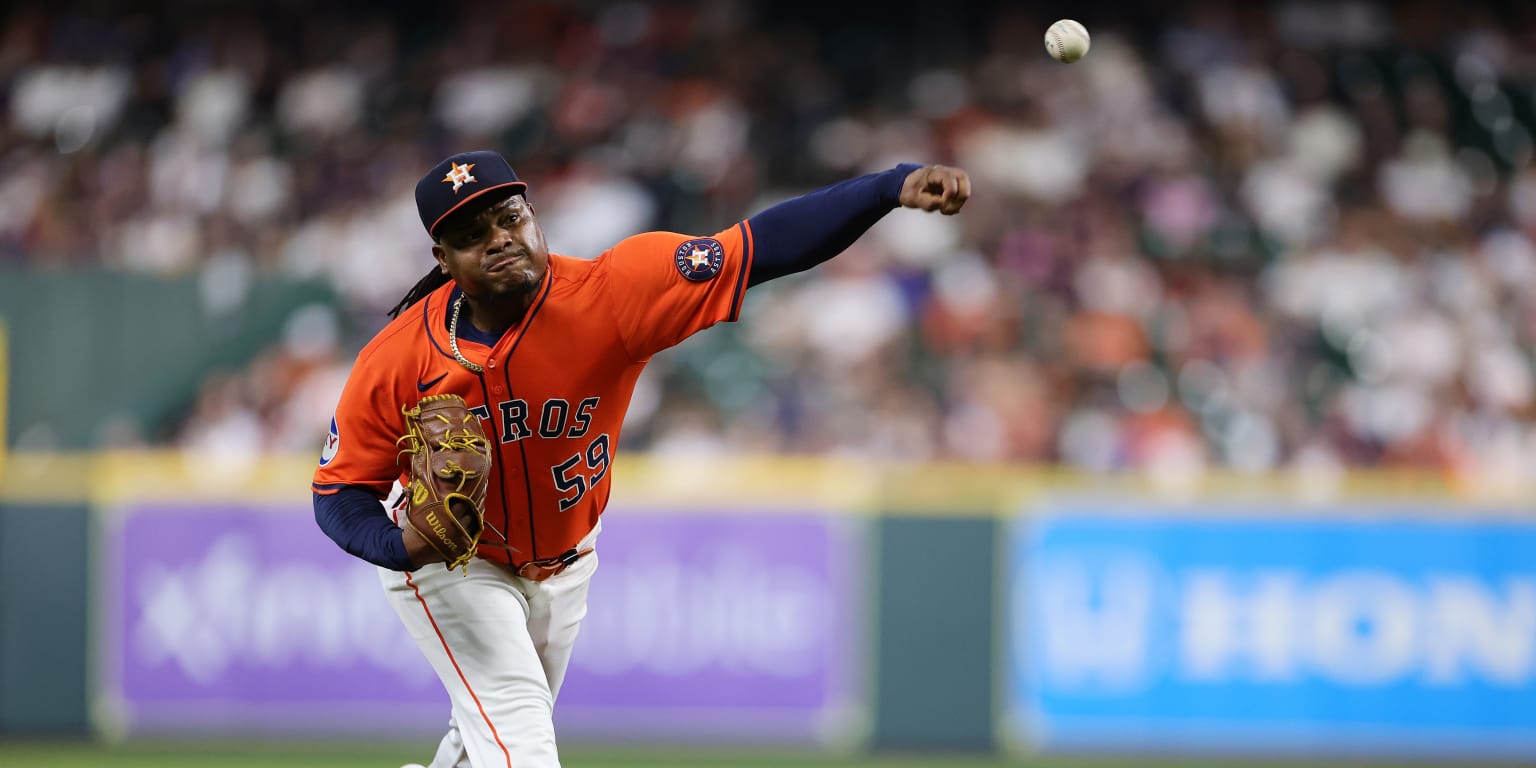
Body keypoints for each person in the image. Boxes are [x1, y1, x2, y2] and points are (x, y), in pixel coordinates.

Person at [312, 149, 970, 768]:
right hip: (454, 564)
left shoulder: (612, 293)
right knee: (519, 735)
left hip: (566, 561)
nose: (500, 237)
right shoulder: (398, 357)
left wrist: (890, 188)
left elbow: (763, 245)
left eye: (509, 217)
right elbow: (339, 491)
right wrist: (402, 548)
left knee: (492, 730)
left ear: (533, 217)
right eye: (471, 234)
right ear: (444, 258)